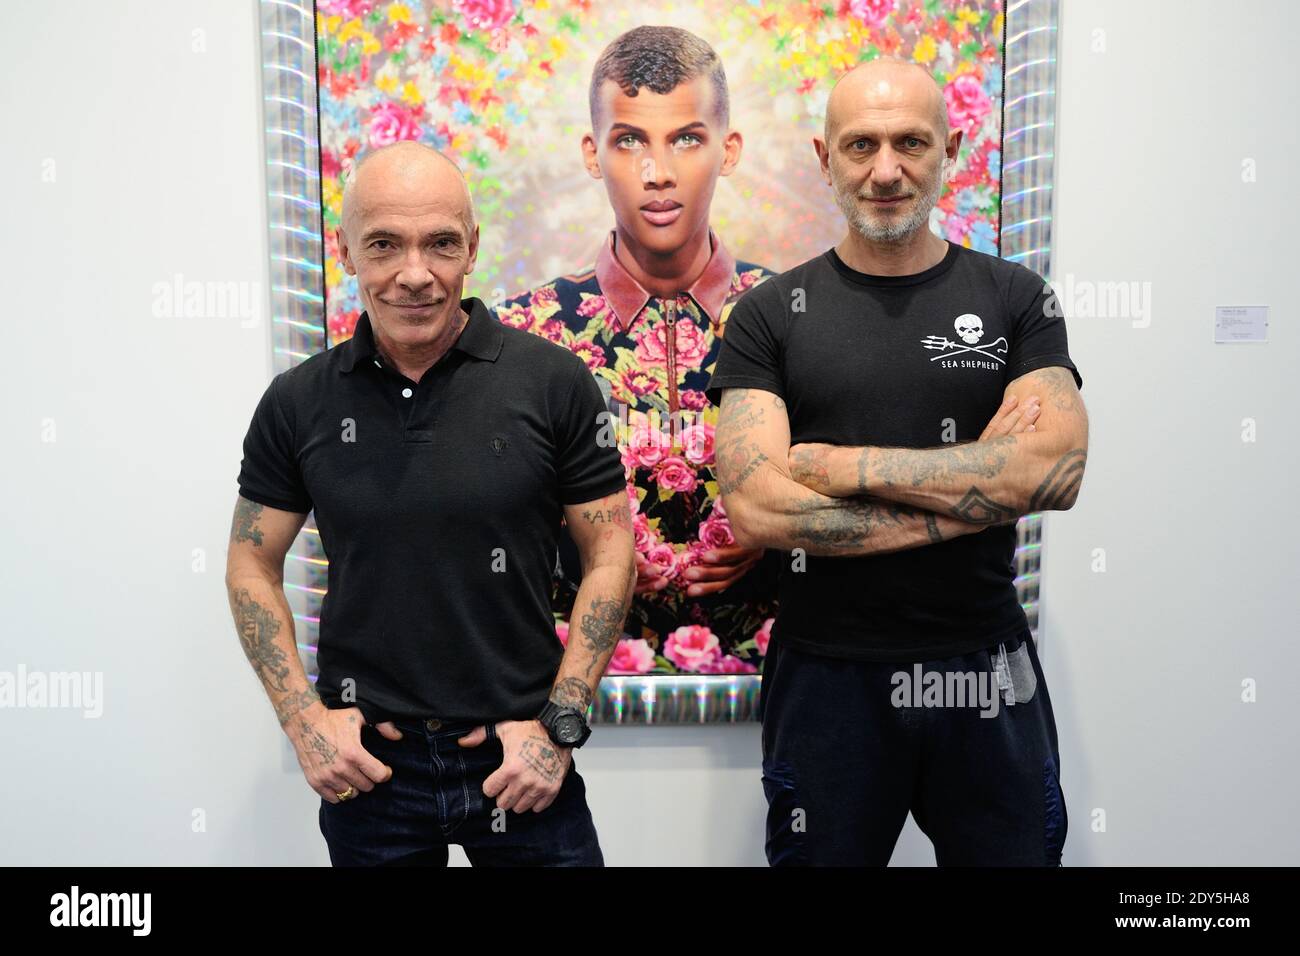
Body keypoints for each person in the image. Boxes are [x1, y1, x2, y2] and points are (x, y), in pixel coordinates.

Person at [707, 59, 1089, 866]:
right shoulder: (768, 316)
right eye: (861, 146)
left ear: (950, 148)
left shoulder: (1017, 297)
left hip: (986, 668)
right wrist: (976, 489)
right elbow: (759, 509)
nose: (886, 170)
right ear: (824, 158)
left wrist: (840, 466)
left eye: (911, 142)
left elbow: (1053, 470)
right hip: (827, 677)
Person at [225, 141, 635, 866]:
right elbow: (251, 563)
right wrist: (302, 720)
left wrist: (560, 722)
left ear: (471, 249)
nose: (414, 274)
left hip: (520, 765)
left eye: (440, 244)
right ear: (345, 251)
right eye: (383, 245)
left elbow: (609, 552)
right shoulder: (298, 402)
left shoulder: (553, 383)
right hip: (373, 776)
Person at [495, 26, 777, 676]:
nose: (658, 173)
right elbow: (475, 523)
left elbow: (856, 491)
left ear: (728, 149)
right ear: (593, 153)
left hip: (774, 708)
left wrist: (778, 529)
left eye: (686, 138)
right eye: (630, 141)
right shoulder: (523, 334)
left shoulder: (796, 316)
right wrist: (577, 542)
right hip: (571, 714)